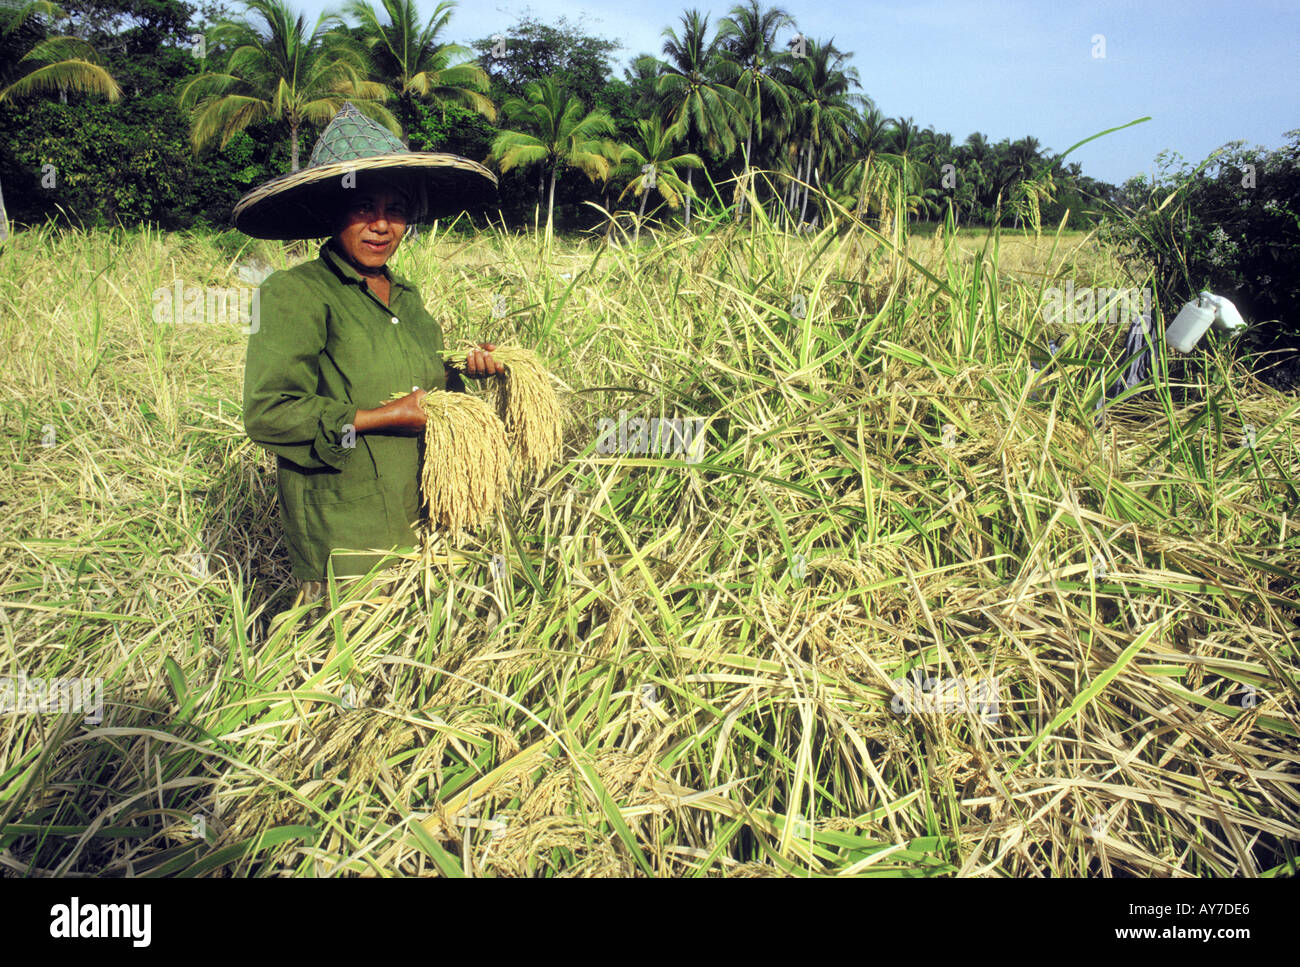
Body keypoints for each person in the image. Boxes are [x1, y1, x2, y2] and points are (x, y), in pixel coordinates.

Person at [232, 102, 501, 601]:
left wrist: (471, 371)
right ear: (333, 213)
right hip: (348, 534)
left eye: (395, 210)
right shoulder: (296, 293)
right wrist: (380, 418)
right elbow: (268, 414)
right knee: (341, 667)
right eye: (363, 208)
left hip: (422, 514)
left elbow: (429, 391)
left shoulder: (410, 301)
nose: (381, 225)